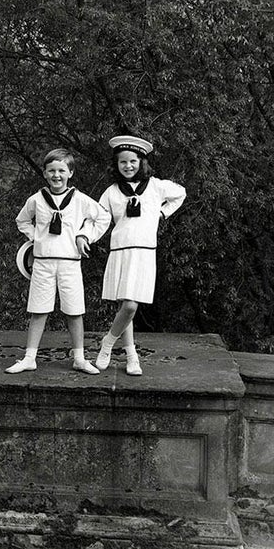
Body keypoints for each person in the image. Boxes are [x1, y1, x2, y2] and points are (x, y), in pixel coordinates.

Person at [6, 149, 111, 374]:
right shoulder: (36, 199)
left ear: (70, 173)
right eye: (51, 171)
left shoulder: (80, 199)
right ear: (44, 173)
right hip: (43, 263)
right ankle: (29, 358)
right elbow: (22, 220)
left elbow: (103, 217)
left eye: (62, 170)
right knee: (38, 310)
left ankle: (80, 358)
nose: (56, 175)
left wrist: (85, 235)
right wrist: (36, 238)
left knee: (74, 311)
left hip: (70, 262)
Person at [94, 135, 186, 375]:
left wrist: (162, 214)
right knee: (127, 305)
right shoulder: (111, 192)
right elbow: (100, 220)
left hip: (144, 252)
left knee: (131, 305)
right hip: (121, 251)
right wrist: (85, 237)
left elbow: (181, 194)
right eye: (122, 162)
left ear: (141, 161)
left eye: (132, 161)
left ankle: (108, 343)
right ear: (116, 164)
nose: (128, 166)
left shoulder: (155, 186)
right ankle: (131, 356)